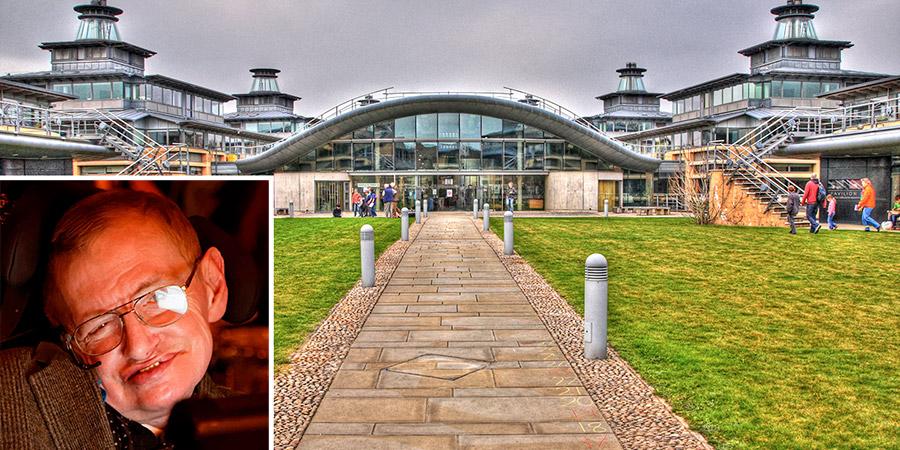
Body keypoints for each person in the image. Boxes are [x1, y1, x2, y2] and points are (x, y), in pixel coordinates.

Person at [1, 190, 231, 448]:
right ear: (73, 346)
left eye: (155, 298)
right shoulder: (10, 397)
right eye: (99, 326)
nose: (139, 347)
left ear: (213, 285)